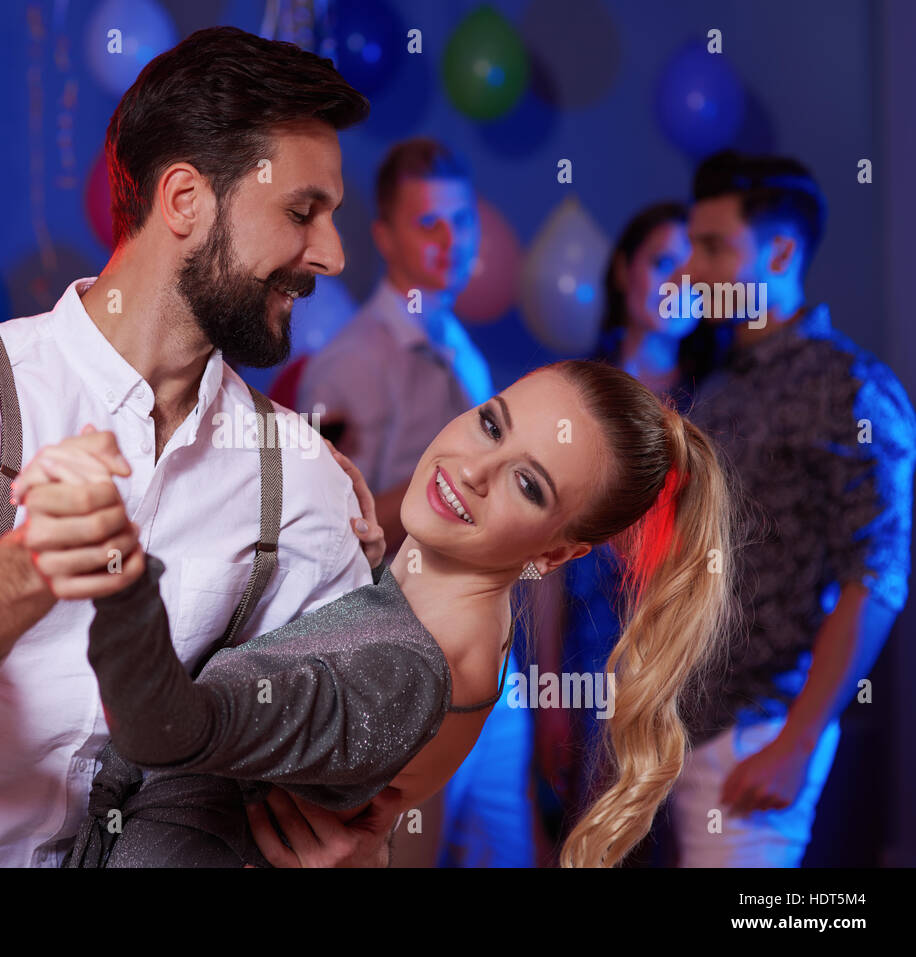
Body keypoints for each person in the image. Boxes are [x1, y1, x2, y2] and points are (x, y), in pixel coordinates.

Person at [0, 26, 395, 868]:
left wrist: (344, 828)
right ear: (185, 200)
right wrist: (35, 560)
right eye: (300, 213)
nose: (331, 254)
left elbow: (349, 707)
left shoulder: (296, 473)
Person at [50, 359, 741, 869]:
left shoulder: (403, 669)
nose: (473, 468)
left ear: (559, 552)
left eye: (528, 484)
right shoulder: (461, 623)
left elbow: (164, 730)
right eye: (491, 423)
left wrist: (114, 559)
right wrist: (355, 560)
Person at [669, 150, 916, 866]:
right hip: (696, 720)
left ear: (780, 250)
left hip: (762, 730)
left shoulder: (851, 387)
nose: (695, 269)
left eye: (715, 246)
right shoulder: (720, 383)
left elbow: (879, 576)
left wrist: (797, 742)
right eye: (693, 246)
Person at [294, 139, 512, 866]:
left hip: (492, 649)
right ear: (384, 235)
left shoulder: (460, 346)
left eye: (463, 222)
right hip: (410, 656)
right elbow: (322, 524)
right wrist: (451, 498)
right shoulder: (352, 360)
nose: (452, 242)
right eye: (429, 225)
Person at [534, 202, 709, 863]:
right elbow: (545, 557)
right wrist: (548, 690)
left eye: (695, 269)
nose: (678, 283)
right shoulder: (580, 395)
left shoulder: (718, 399)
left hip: (687, 671)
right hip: (587, 660)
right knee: (600, 843)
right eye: (664, 262)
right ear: (622, 270)